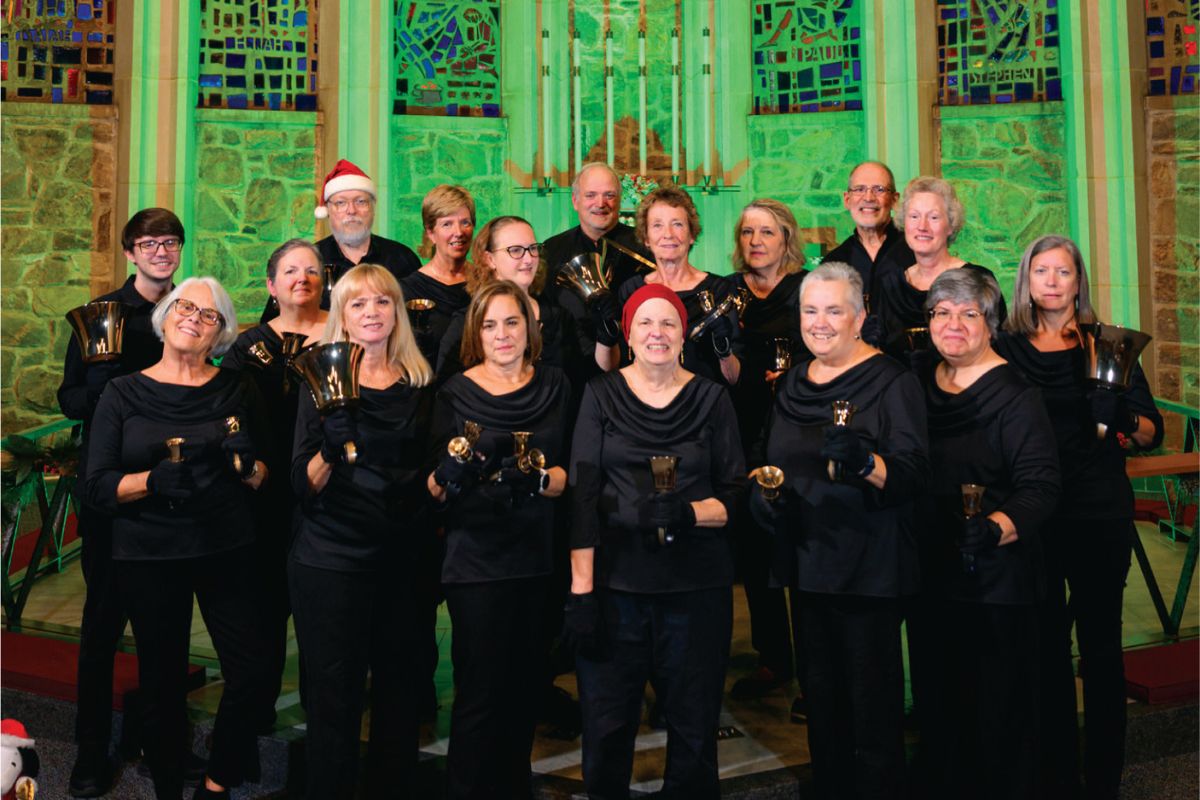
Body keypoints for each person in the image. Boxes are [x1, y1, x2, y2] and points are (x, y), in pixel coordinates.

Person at [83, 277, 272, 800]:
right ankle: (168, 790)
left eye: (209, 315)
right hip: (149, 554)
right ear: (165, 316)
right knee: (163, 687)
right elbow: (95, 486)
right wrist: (148, 482)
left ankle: (215, 783)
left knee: (252, 671)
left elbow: (263, 477)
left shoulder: (238, 388)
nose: (194, 317)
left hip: (226, 547)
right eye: (185, 306)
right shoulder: (123, 391)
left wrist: (246, 463)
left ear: (220, 335)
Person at [993, 235, 1163, 800]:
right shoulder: (1008, 346)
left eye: (1062, 272)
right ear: (1027, 279)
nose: (1051, 281)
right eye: (1040, 271)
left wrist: (1117, 412)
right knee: (1043, 648)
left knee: (1100, 648)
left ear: (1077, 280)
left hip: (1096, 509)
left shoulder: (1105, 344)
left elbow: (1150, 432)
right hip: (1035, 512)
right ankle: (1056, 775)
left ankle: (1104, 781)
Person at [752, 263, 927, 800]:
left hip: (868, 569)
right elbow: (766, 457)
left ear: (860, 317)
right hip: (808, 564)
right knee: (821, 702)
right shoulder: (794, 382)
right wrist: (761, 495)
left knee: (871, 708)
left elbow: (914, 475)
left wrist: (867, 462)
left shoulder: (892, 381)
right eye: (810, 311)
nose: (820, 322)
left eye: (834, 310)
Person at [566, 283, 746, 799]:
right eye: (644, 323)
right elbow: (583, 493)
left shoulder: (712, 398)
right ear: (628, 333)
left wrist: (689, 513)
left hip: (695, 588)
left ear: (684, 331)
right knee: (606, 727)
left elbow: (736, 494)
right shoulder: (600, 394)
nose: (657, 333)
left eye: (668, 322)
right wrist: (581, 592)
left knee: (693, 728)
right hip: (616, 586)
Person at [57, 208, 191, 797]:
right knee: (102, 627)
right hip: (111, 493)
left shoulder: (190, 312)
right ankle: (91, 749)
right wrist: (100, 383)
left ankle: (160, 740)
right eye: (149, 243)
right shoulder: (99, 317)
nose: (161, 251)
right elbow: (67, 399)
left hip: (171, 495)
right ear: (130, 252)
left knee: (166, 631)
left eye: (170, 241)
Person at [288, 264, 435, 799]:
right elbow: (301, 484)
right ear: (342, 319)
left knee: (400, 693)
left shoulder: (422, 383)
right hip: (332, 558)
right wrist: (331, 449)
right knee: (334, 696)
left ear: (396, 311)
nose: (371, 313)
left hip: (402, 559)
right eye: (357, 304)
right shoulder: (320, 384)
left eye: (381, 302)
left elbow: (432, 474)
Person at [916, 268, 1060, 799]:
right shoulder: (919, 380)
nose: (953, 324)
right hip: (934, 575)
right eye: (942, 313)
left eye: (968, 314)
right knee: (940, 705)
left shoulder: (1016, 396)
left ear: (991, 324)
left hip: (997, 583)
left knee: (995, 714)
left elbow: (1042, 488)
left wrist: (993, 529)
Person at [427, 281, 572, 799]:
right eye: (489, 325)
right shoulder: (454, 392)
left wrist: (539, 480)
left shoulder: (556, 385)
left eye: (511, 322)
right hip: (476, 560)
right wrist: (449, 475)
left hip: (536, 557)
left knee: (525, 689)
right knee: (480, 693)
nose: (502, 334)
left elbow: (569, 477)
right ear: (475, 333)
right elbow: (433, 487)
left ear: (529, 328)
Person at [220, 238, 328, 729]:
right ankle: (256, 715)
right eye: (289, 271)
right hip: (266, 495)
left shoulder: (343, 334)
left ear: (323, 280)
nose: (301, 278)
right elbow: (227, 412)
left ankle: (321, 713)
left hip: (326, 493)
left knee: (322, 614)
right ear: (271, 285)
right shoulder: (250, 346)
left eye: (310, 270)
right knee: (263, 610)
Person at [726, 199, 809, 704]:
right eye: (748, 233)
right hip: (741, 425)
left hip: (794, 425)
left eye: (767, 232)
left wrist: (795, 375)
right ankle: (772, 656)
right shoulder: (729, 293)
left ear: (786, 239)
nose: (756, 241)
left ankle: (814, 659)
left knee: (799, 544)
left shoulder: (805, 290)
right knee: (754, 550)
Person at [602, 186, 741, 384]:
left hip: (703, 403)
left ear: (692, 235)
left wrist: (724, 350)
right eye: (657, 225)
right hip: (645, 404)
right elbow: (619, 365)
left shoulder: (719, 290)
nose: (668, 234)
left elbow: (733, 378)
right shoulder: (631, 290)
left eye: (677, 224)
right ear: (646, 238)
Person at [261, 159, 420, 322]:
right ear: (327, 210)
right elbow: (273, 324)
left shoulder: (402, 258)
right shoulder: (308, 261)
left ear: (372, 209)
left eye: (361, 201)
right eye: (341, 203)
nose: (351, 210)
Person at [872, 176, 1005, 367]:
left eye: (933, 217)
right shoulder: (890, 285)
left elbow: (997, 350)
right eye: (914, 216)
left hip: (964, 393)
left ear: (950, 225)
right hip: (902, 394)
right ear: (904, 223)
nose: (922, 226)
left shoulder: (979, 280)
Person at [434, 216, 577, 382]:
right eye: (515, 250)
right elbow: (446, 392)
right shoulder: (466, 323)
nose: (529, 258)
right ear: (490, 259)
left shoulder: (560, 318)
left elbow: (577, 384)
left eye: (533, 248)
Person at [822, 160, 915, 312]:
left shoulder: (916, 252)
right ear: (847, 200)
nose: (869, 198)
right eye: (859, 189)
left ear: (895, 200)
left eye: (879, 189)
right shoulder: (833, 263)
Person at [401, 184, 476, 367]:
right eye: (447, 224)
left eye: (465, 222)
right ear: (430, 233)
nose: (458, 232)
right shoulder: (408, 290)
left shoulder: (488, 281)